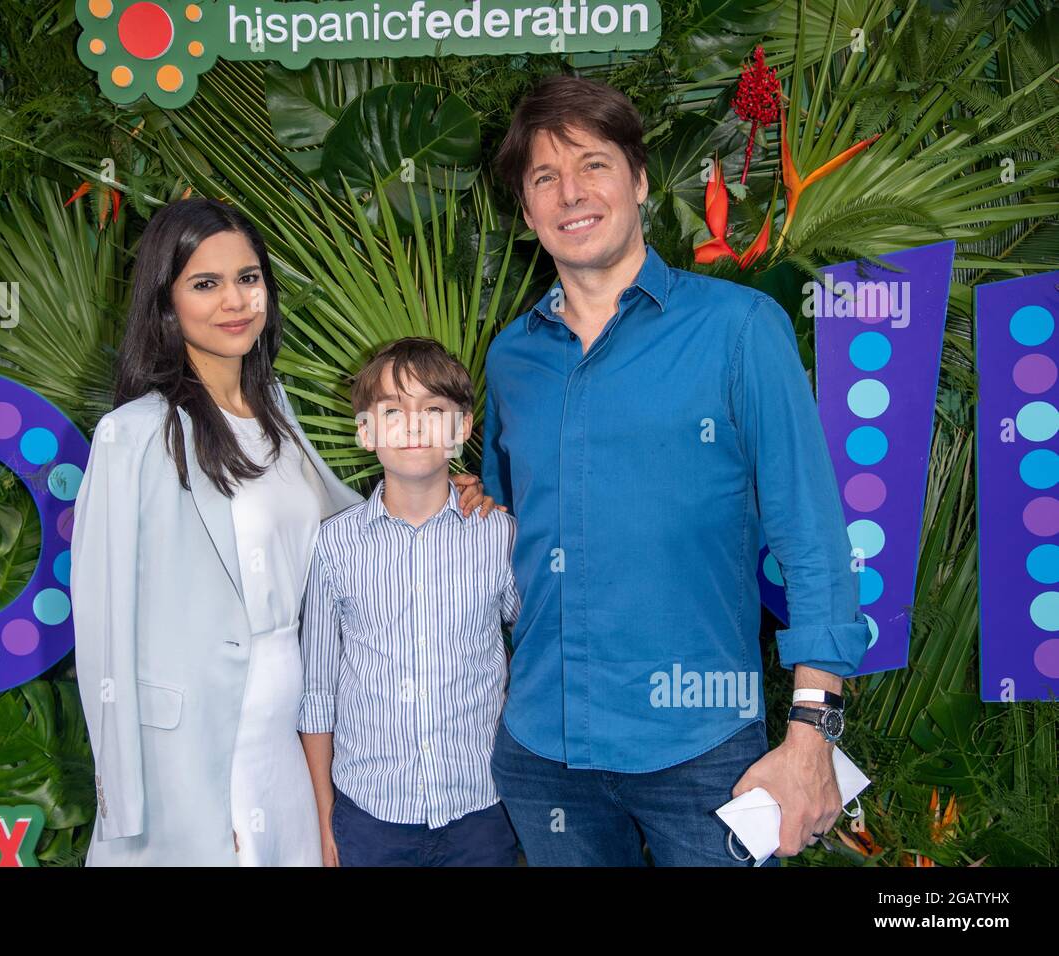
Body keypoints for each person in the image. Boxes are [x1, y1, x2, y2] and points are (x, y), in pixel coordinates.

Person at [481, 76, 871, 866]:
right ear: (526, 213)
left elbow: (814, 539)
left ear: (639, 180)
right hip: (542, 749)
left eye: (593, 164)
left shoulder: (740, 329)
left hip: (702, 755)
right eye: (544, 178)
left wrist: (812, 734)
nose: (572, 193)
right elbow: (502, 529)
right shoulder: (511, 358)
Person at [70, 198, 496, 866]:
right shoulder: (134, 435)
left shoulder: (274, 412)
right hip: (200, 745)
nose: (235, 300)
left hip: (290, 734)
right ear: (165, 300)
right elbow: (102, 634)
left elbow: (350, 525)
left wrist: (453, 487)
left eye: (248, 277)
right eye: (205, 284)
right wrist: (128, 801)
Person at [299, 337, 522, 867]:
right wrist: (324, 816)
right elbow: (316, 692)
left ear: (463, 428)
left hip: (483, 809)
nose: (413, 425)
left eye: (434, 410)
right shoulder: (335, 546)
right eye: (392, 411)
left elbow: (544, 648)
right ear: (365, 431)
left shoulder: (499, 536)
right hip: (369, 814)